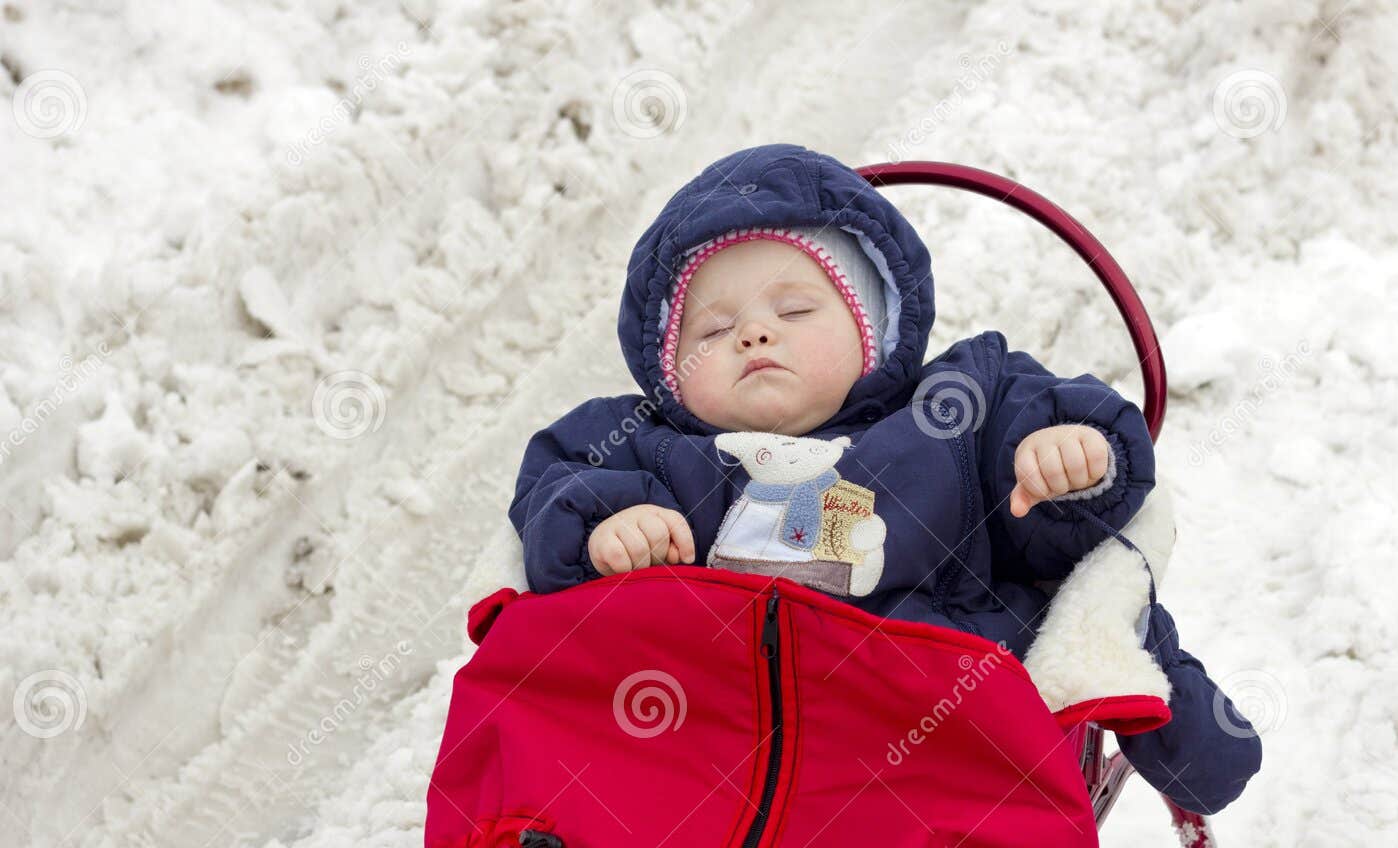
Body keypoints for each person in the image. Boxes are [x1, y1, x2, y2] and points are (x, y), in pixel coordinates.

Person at [509, 143, 1261, 812]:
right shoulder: (660, 451)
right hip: (723, 783)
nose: (752, 332)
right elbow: (558, 489)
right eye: (710, 329)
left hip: (943, 775)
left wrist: (1066, 456)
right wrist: (608, 531)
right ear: (669, 373)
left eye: (796, 307)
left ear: (876, 326)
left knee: (1090, 579)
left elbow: (1063, 533)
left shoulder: (955, 413)